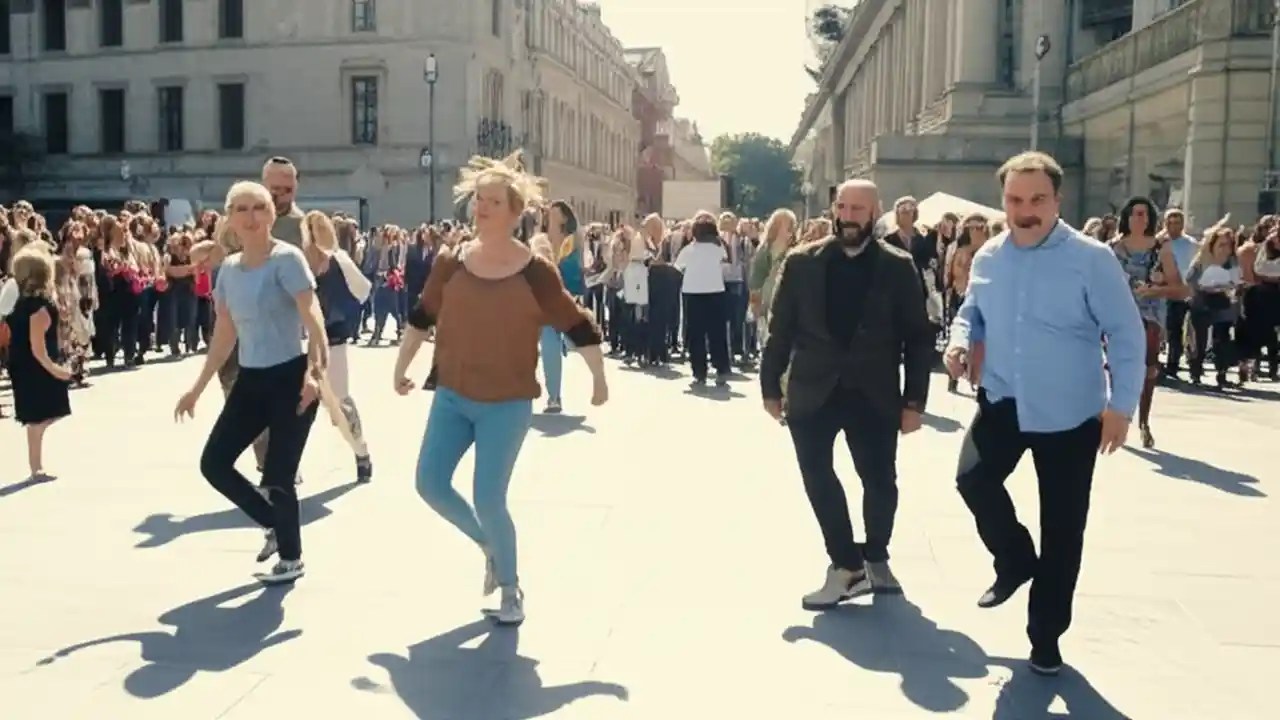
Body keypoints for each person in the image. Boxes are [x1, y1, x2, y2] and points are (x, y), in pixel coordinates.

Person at [944, 151, 1145, 677]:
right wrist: (961, 343)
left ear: (1058, 200)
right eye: (1014, 199)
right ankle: (1013, 559)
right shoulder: (988, 255)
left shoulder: (1091, 258)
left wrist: (1120, 406)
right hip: (1003, 401)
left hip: (1071, 414)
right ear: (1003, 200)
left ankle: (1045, 635)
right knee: (972, 481)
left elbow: (1125, 333)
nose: (1025, 210)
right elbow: (973, 313)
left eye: (1037, 199)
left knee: (1064, 530)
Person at [393, 152, 608, 626]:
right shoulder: (451, 262)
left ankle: (510, 588)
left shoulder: (535, 271)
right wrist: (401, 366)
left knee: (489, 497)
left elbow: (575, 323)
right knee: (429, 483)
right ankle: (489, 545)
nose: (482, 208)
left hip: (506, 404)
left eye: (493, 201)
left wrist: (598, 378)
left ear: (515, 212)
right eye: (478, 200)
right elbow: (422, 316)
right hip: (451, 395)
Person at [760, 179, 934, 609]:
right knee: (817, 476)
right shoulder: (802, 262)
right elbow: (780, 330)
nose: (849, 215)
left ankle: (875, 554)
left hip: (872, 391)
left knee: (879, 480)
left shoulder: (897, 265)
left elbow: (917, 338)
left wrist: (914, 402)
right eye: (842, 206)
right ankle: (845, 564)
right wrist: (769, 386)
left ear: (875, 213)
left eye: (858, 208)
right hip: (812, 387)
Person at [174, 181, 329, 585]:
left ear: (271, 214)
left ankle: (292, 559)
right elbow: (224, 332)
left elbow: (312, 316)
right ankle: (274, 524)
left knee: (278, 474)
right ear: (229, 218)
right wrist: (197, 386)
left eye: (259, 207)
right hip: (251, 378)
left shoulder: (287, 259)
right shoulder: (228, 269)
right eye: (241, 209)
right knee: (214, 463)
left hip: (292, 376)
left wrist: (315, 372)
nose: (251, 216)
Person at [301, 210, 375, 482]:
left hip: (332, 341)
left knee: (339, 406)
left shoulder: (338, 260)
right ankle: (282, 467)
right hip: (300, 342)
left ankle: (361, 452)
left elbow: (363, 290)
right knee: (295, 405)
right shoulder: (293, 262)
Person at [6, 243, 72, 480]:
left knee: (42, 415)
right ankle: (36, 467)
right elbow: (38, 348)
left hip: (22, 362)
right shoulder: (37, 308)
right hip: (33, 365)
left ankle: (36, 465)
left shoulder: (19, 301)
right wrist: (57, 370)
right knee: (38, 418)